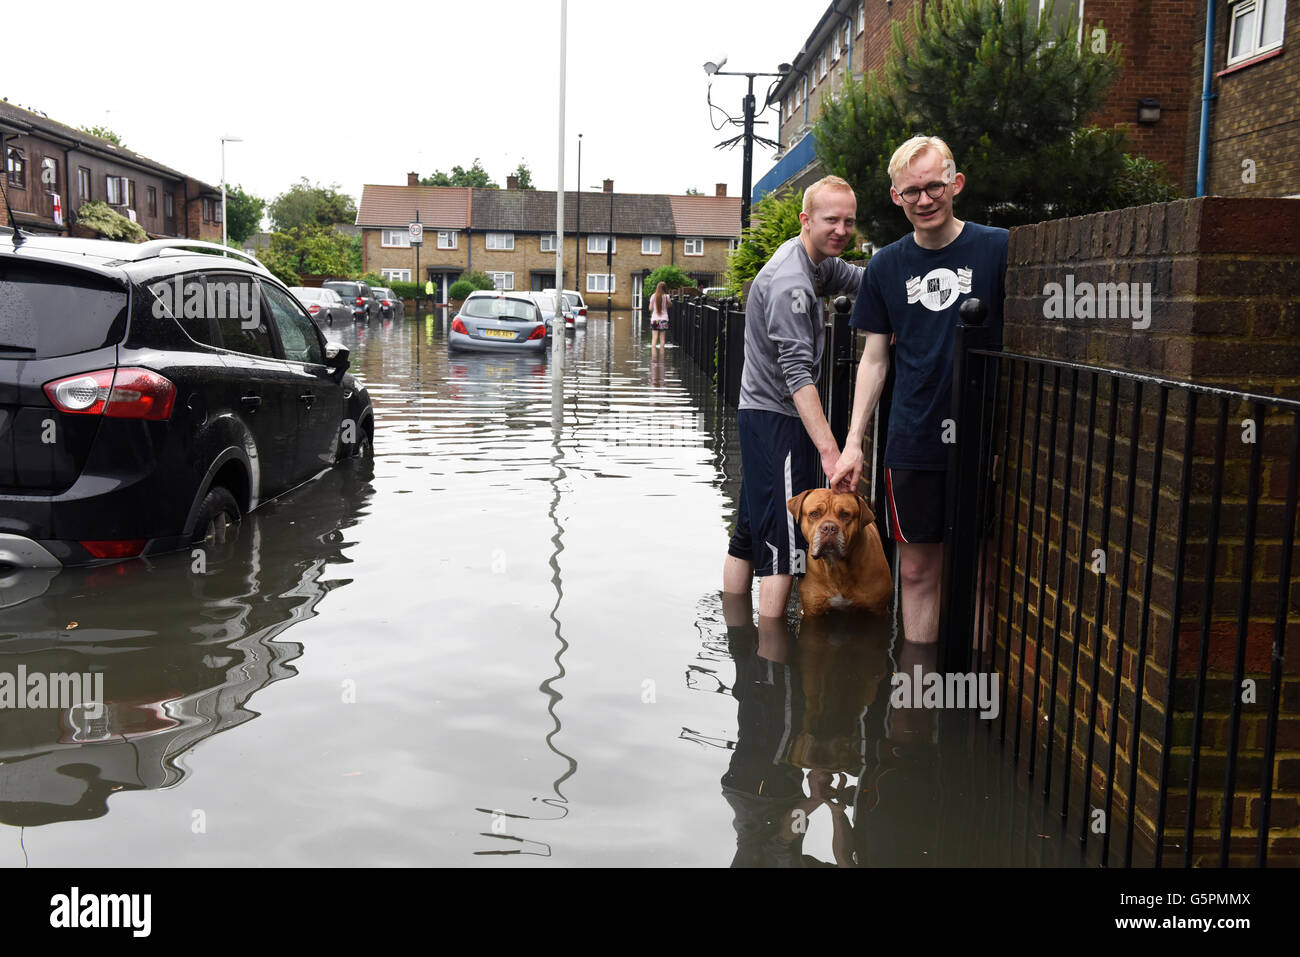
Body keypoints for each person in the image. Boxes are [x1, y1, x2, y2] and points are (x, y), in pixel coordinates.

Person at [830, 135, 1008, 645]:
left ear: (956, 183)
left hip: (982, 439)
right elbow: (875, 357)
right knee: (916, 573)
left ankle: (971, 694)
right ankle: (918, 695)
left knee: (981, 573)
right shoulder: (886, 265)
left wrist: (1004, 441)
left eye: (934, 186)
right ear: (895, 197)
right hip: (913, 440)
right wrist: (854, 441)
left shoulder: (997, 249)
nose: (925, 200)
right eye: (912, 191)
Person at [722, 175, 864, 619]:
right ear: (806, 220)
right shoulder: (793, 284)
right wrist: (830, 451)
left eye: (849, 221)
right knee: (784, 549)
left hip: (760, 414)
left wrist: (900, 295)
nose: (841, 230)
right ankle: (774, 666)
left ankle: (737, 636)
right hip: (778, 419)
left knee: (749, 531)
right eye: (831, 220)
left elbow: (863, 280)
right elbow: (798, 376)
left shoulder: (814, 261)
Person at [648, 281, 670, 349]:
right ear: (665, 288)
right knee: (662, 339)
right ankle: (662, 357)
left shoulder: (653, 296)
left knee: (654, 339)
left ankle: (654, 357)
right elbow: (668, 305)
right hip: (664, 319)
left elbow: (650, 308)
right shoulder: (667, 296)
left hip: (655, 319)